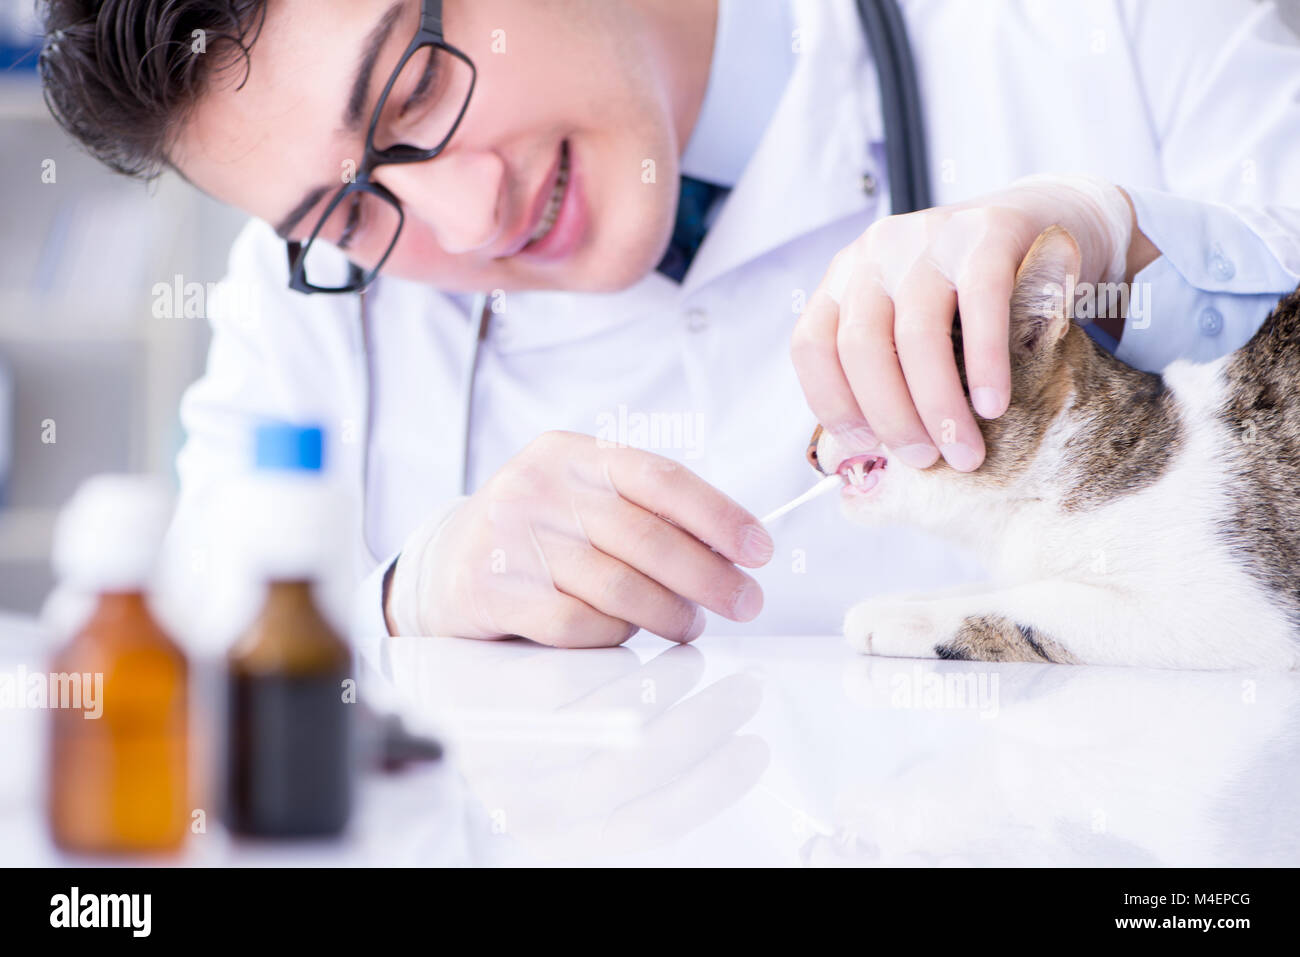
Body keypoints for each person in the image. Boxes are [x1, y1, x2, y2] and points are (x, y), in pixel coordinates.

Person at [38, 0, 1300, 649]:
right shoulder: (322, 285)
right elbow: (171, 632)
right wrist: (402, 597)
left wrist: (1119, 242)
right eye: (347, 205)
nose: (469, 218)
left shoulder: (1100, 26)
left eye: (416, 88)